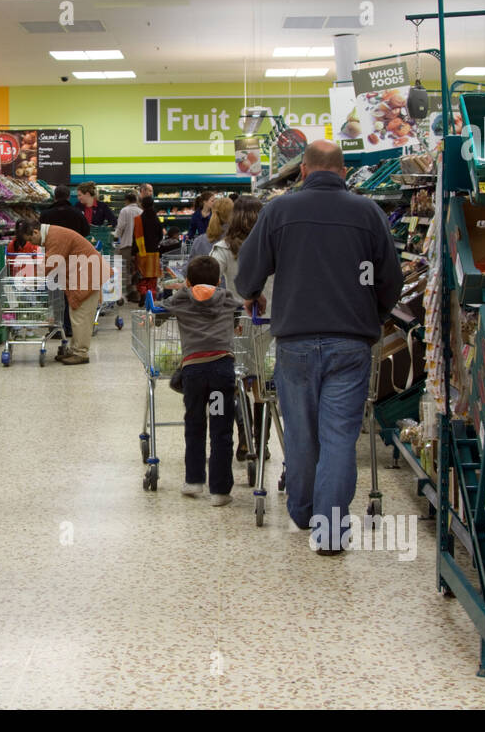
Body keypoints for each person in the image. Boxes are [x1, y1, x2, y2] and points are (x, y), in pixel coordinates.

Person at [236, 140, 401, 556]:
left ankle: (303, 512)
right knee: (340, 435)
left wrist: (253, 292)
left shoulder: (279, 211)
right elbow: (391, 280)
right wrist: (372, 312)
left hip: (296, 340)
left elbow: (247, 274)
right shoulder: (368, 213)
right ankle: (329, 532)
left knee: (302, 432)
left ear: (304, 171)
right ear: (343, 172)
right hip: (351, 342)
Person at [156, 255, 241, 506]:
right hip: (221, 370)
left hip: (194, 373)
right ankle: (220, 490)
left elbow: (159, 313)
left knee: (194, 424)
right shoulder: (226, 298)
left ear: (188, 281)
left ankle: (194, 481)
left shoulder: (181, 298)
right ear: (219, 280)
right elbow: (239, 311)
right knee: (221, 428)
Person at [211, 195, 274, 465]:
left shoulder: (223, 247)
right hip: (273, 322)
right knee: (263, 384)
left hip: (237, 322)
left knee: (237, 383)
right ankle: (263, 444)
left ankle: (245, 440)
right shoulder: (273, 245)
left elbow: (210, 282)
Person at [12, 218, 111, 365]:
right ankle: (75, 349)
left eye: (31, 239)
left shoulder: (55, 237)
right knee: (76, 314)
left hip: (87, 274)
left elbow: (49, 263)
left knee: (81, 316)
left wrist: (28, 278)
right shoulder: (52, 234)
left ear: (36, 231)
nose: (32, 243)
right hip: (83, 273)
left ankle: (81, 353)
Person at [38, 184, 89, 352]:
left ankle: (55, 326)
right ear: (68, 196)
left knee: (53, 293)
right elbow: (86, 232)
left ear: (54, 196)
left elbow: (40, 236)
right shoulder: (77, 213)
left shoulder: (45, 214)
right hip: (73, 260)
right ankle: (68, 326)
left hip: (53, 259)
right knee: (70, 294)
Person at [134, 194, 163, 303]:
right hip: (154, 252)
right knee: (152, 278)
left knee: (142, 277)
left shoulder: (138, 219)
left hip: (141, 252)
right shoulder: (156, 219)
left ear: (142, 205)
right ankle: (151, 297)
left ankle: (143, 293)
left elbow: (135, 238)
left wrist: (134, 251)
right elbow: (160, 235)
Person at [114, 190, 142, 303]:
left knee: (125, 269)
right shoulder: (141, 211)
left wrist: (115, 237)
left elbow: (120, 226)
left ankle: (128, 293)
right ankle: (136, 292)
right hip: (139, 246)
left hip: (126, 244)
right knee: (136, 268)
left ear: (126, 200)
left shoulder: (124, 210)